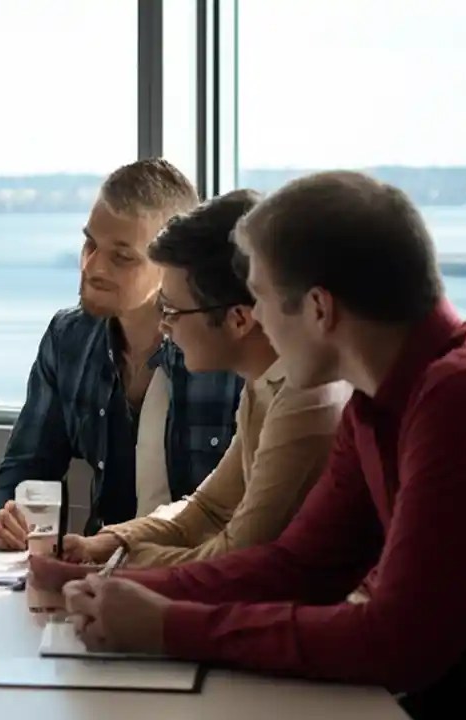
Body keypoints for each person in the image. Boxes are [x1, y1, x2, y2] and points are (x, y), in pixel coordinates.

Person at [62, 171, 466, 720]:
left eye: (264, 299)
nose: (260, 322)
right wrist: (119, 588)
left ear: (319, 309)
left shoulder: (465, 395)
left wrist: (168, 625)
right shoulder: (373, 404)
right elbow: (297, 567)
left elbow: (397, 642)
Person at [38, 190, 350, 570]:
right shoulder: (263, 382)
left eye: (171, 310)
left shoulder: (305, 400)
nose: (165, 329)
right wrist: (110, 541)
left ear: (239, 320)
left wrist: (120, 562)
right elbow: (209, 508)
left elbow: (236, 560)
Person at [0, 159, 242, 548]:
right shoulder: (68, 339)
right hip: (95, 568)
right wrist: (16, 519)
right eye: (89, 243)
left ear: (172, 267)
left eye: (121, 257)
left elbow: (243, 514)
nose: (92, 267)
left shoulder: (223, 353)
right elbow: (29, 467)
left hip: (197, 577)